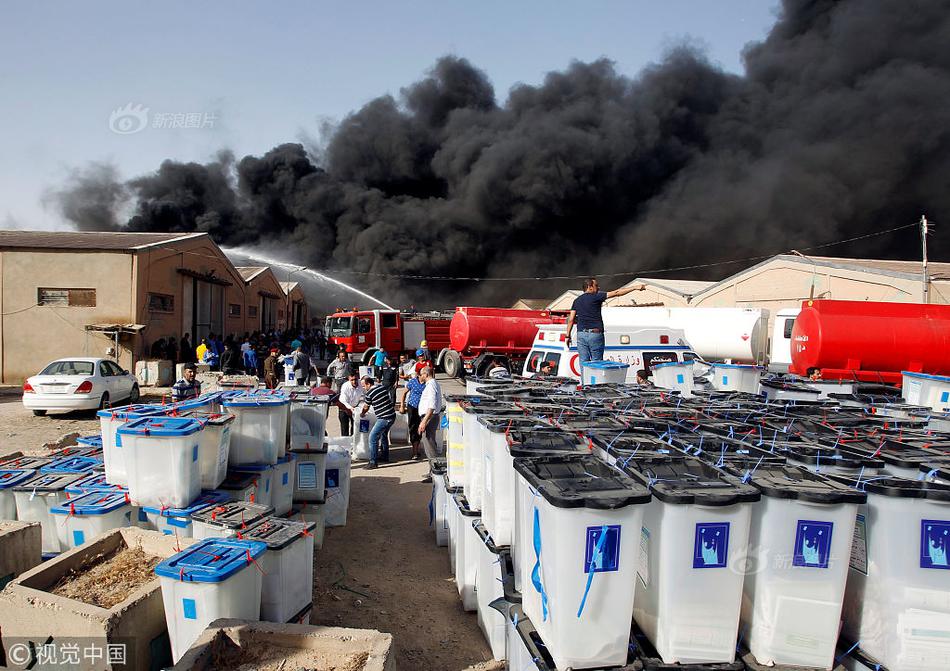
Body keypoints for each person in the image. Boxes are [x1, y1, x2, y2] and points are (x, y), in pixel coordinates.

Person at [565, 278, 647, 364]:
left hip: (581, 334)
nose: (599, 287)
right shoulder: (597, 297)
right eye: (596, 285)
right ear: (590, 287)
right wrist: (635, 287)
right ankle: (596, 377)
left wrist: (567, 336)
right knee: (597, 363)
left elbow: (571, 320)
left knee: (583, 362)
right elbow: (616, 293)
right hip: (595, 334)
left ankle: (585, 378)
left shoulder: (576, 301)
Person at [361, 376, 397, 468]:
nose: (364, 388)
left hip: (384, 418)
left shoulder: (369, 394)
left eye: (364, 386)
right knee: (383, 434)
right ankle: (385, 456)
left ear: (368, 384)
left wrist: (362, 414)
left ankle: (373, 462)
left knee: (372, 438)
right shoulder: (381, 387)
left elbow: (366, 407)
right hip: (391, 415)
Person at [417, 366, 444, 462]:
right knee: (429, 443)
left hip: (429, 417)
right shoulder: (432, 384)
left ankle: (435, 469)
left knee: (429, 445)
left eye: (421, 374)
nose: (420, 377)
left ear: (425, 374)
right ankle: (433, 469)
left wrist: (424, 421)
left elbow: (432, 405)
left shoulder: (431, 385)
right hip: (430, 416)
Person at [401, 369, 426, 460]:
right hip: (412, 407)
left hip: (422, 408)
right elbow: (404, 393)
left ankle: (417, 448)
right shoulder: (413, 382)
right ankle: (415, 450)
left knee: (420, 427)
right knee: (413, 427)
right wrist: (402, 406)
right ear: (420, 375)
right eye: (423, 374)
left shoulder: (427, 383)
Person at [337, 372, 364, 437]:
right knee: (344, 428)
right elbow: (343, 400)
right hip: (344, 407)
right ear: (349, 379)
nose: (354, 381)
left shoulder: (361, 384)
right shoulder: (345, 386)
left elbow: (364, 396)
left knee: (355, 427)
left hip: (355, 407)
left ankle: (353, 442)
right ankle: (345, 443)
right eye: (352, 380)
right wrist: (350, 408)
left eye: (355, 379)